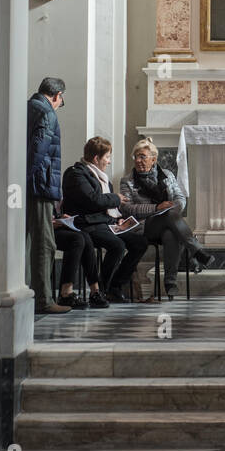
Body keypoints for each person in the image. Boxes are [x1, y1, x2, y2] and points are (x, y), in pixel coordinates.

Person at [119, 139, 214, 298]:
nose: (138, 160)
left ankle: (170, 282)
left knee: (171, 233)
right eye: (135, 157)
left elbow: (180, 198)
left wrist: (169, 208)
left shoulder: (167, 175)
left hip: (168, 223)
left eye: (142, 156)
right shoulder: (127, 181)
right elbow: (128, 208)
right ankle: (196, 250)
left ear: (153, 159)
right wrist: (156, 208)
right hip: (144, 227)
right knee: (170, 215)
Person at [62, 137, 149, 303]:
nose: (109, 162)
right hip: (87, 224)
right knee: (117, 246)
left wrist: (117, 220)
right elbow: (93, 200)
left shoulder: (102, 178)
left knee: (140, 243)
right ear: (96, 158)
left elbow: (103, 205)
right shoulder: (76, 174)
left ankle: (114, 287)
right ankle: (99, 290)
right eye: (107, 157)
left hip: (103, 223)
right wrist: (115, 198)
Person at [26, 77, 70, 315]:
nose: (59, 104)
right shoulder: (47, 114)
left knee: (23, 242)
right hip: (38, 187)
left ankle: (24, 293)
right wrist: (33, 181)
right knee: (45, 243)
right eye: (61, 100)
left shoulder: (26, 107)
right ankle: (43, 299)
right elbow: (38, 152)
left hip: (24, 186)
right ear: (57, 95)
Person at [52, 219, 108, 309]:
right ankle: (65, 294)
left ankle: (95, 291)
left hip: (60, 227)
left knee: (86, 237)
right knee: (76, 239)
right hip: (47, 228)